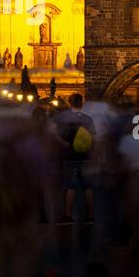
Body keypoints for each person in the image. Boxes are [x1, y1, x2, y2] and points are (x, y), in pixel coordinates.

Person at [53, 94, 95, 225]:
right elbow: (93, 137)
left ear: (70, 103)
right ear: (81, 103)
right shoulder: (88, 119)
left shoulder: (63, 117)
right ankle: (91, 216)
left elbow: (55, 135)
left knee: (70, 186)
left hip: (70, 155)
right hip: (86, 156)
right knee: (87, 187)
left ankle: (68, 216)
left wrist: (62, 143)